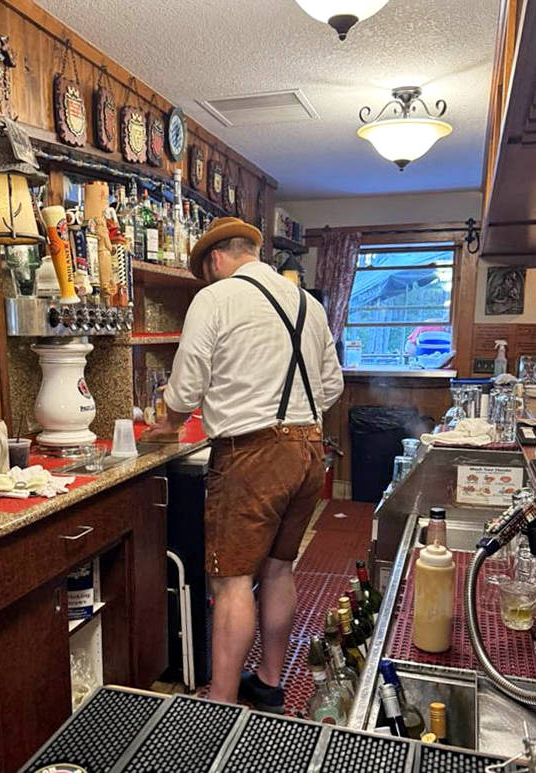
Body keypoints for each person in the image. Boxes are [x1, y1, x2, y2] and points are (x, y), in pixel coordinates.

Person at [147, 217, 344, 713]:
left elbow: (186, 387)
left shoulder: (214, 298)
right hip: (308, 450)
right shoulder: (309, 304)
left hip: (251, 458)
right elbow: (332, 386)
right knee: (278, 569)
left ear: (214, 259)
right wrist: (290, 414)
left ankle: (220, 700)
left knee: (231, 580)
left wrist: (168, 425)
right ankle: (269, 682)